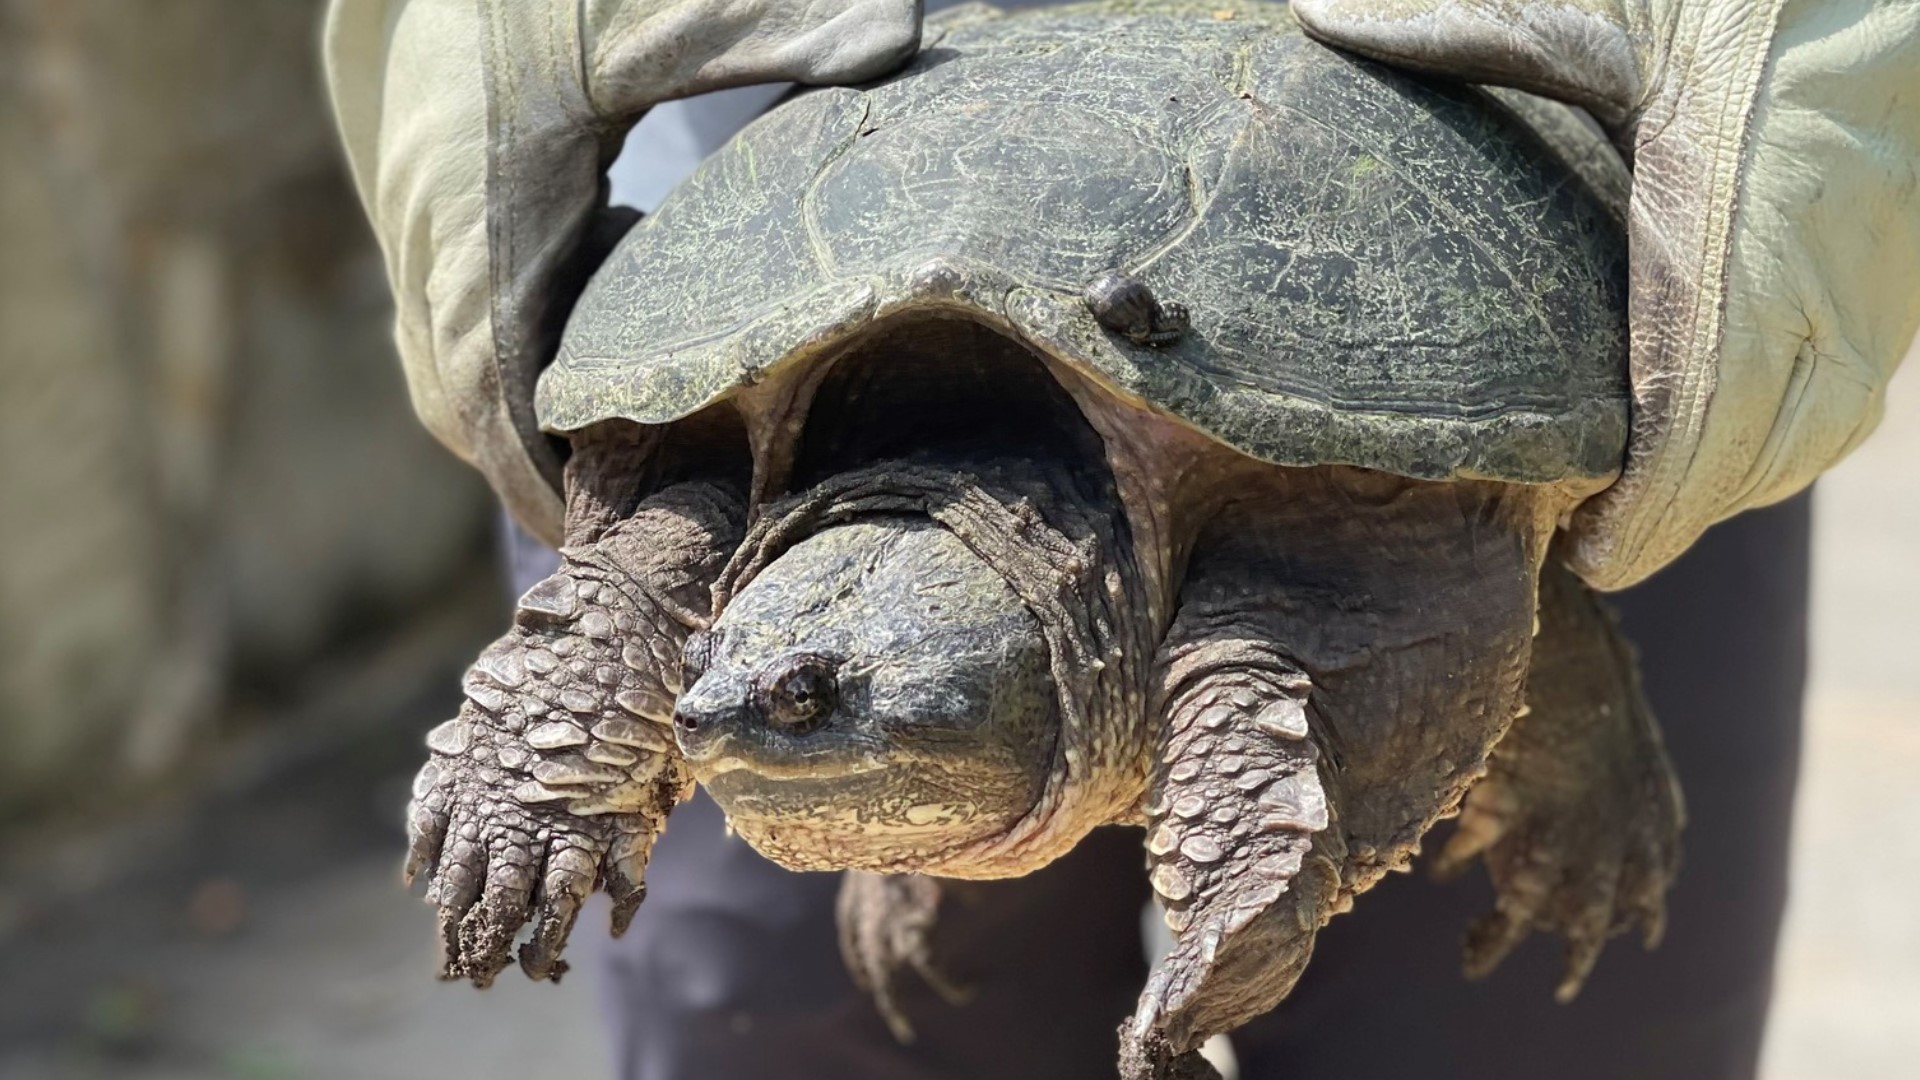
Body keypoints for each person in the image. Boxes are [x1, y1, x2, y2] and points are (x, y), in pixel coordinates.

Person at [326, 1, 1918, 1077]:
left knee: (1527, 1015)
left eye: (797, 694)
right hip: (784, 56)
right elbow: (659, 591)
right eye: (764, 678)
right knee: (777, 1019)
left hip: (1546, 81)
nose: (720, 711)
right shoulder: (709, 567)